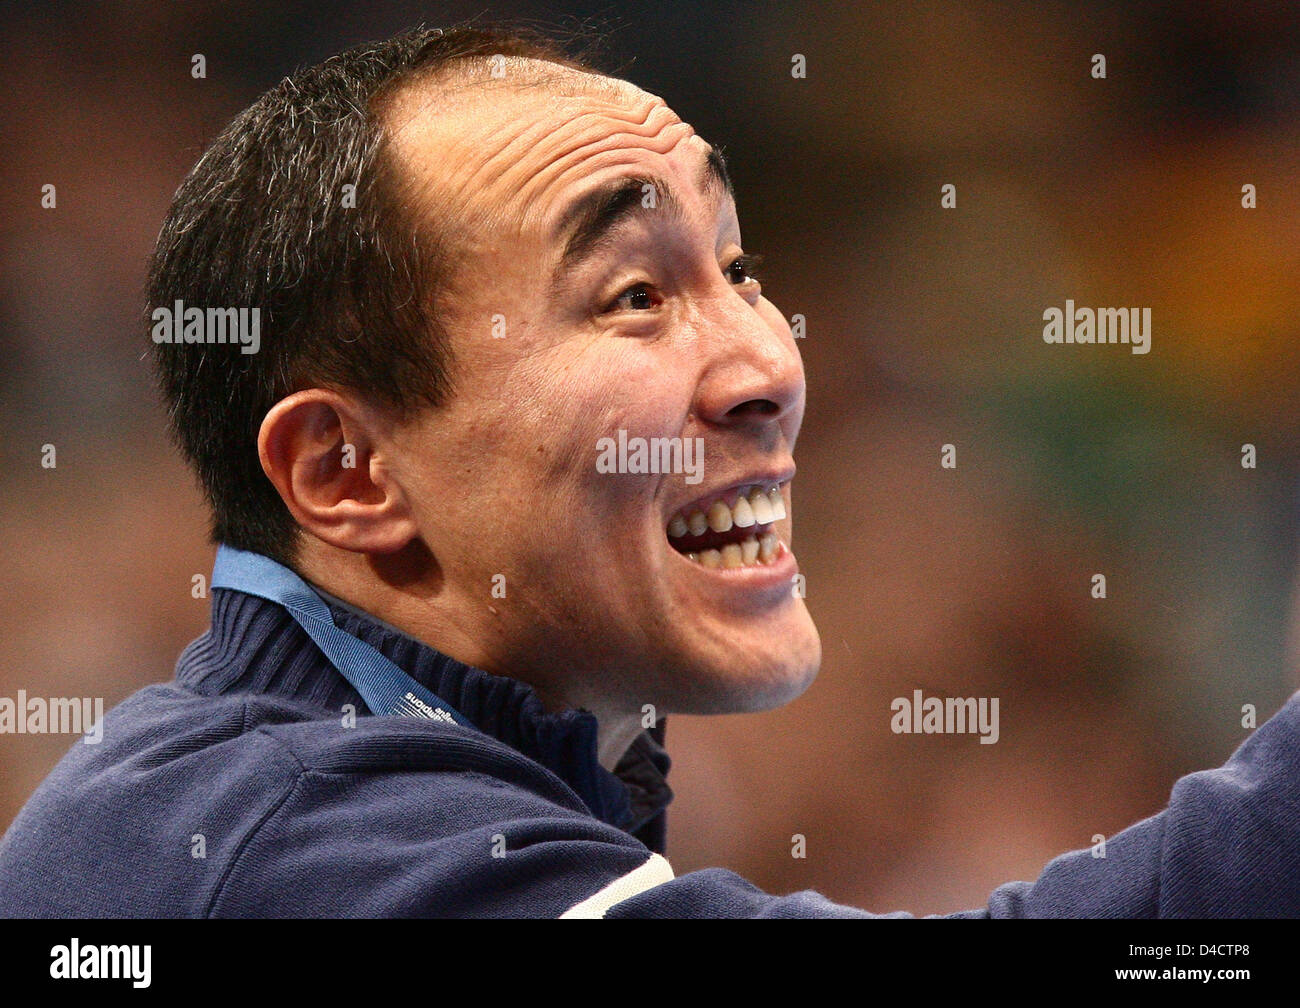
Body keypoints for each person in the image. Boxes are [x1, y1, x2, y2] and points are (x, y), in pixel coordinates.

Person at [1, 23, 1297, 918]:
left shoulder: (345, 784)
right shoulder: (286, 841)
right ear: (349, 473)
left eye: (735, 270)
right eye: (631, 293)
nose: (768, 364)